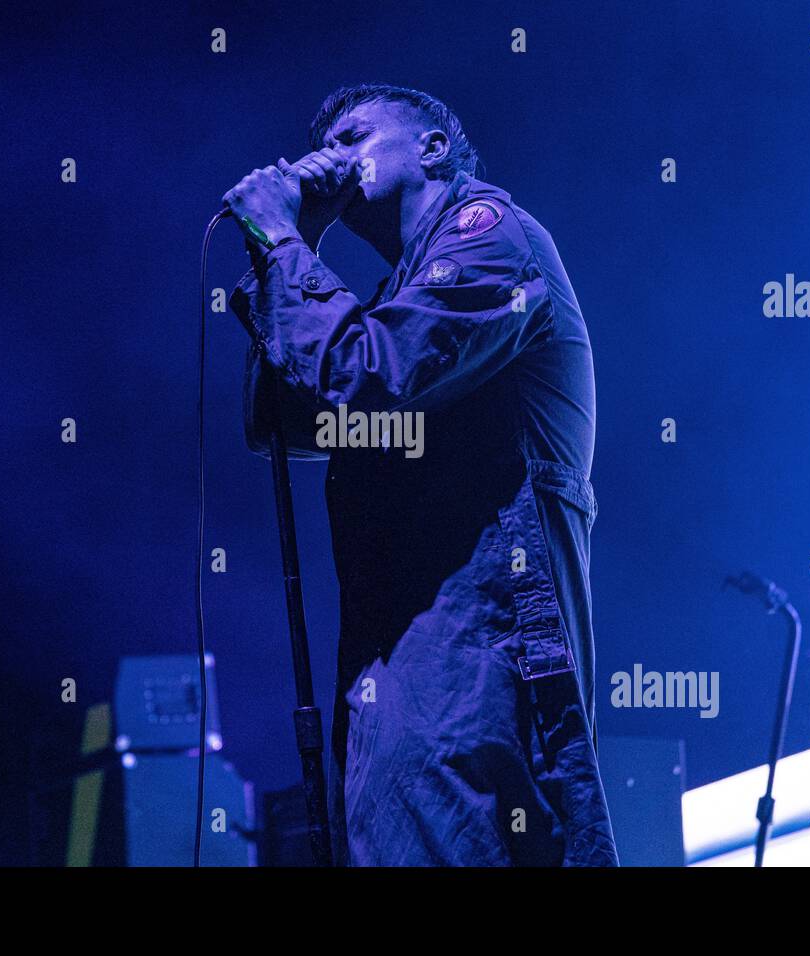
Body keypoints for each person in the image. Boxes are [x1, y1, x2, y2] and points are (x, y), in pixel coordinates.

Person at [224, 84, 619, 866]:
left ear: (432, 147)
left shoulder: (490, 235)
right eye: (325, 141)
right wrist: (288, 246)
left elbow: (364, 377)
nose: (330, 156)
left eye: (354, 135)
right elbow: (287, 420)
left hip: (477, 642)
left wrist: (282, 247)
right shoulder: (391, 299)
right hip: (398, 654)